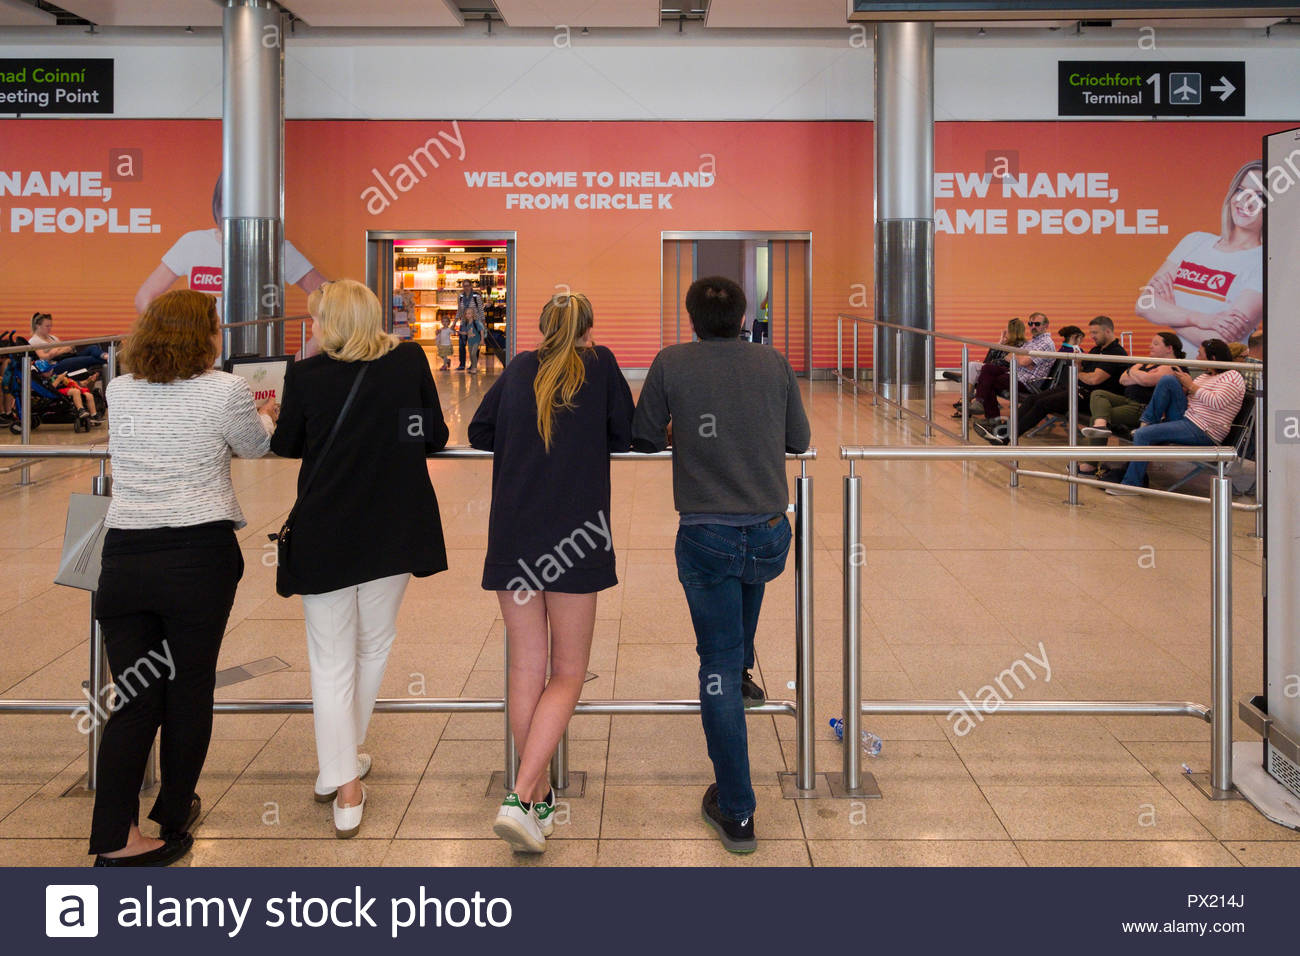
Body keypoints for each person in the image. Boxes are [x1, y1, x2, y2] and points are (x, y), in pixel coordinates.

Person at [89, 289, 276, 867]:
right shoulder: (225, 389)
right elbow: (254, 448)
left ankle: (112, 836)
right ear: (206, 335)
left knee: (135, 699)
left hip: (123, 557)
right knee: (190, 687)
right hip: (197, 556)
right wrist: (267, 415)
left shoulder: (119, 389)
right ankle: (170, 812)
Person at [632, 276, 810, 854]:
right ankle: (738, 676)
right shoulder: (773, 362)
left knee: (716, 659)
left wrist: (680, 431)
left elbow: (642, 438)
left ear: (691, 318)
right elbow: (799, 438)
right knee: (746, 592)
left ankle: (736, 810)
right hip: (767, 530)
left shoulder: (672, 362)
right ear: (743, 318)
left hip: (706, 533)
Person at [270, 279, 449, 839]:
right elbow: (433, 435)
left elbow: (286, 445)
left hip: (327, 533)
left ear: (332, 323)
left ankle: (343, 780)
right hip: (393, 528)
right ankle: (344, 765)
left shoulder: (305, 376)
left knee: (329, 659)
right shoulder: (406, 362)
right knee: (374, 644)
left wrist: (288, 413)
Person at [469, 292, 633, 853]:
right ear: (591, 328)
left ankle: (537, 800)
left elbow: (478, 431)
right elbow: (623, 432)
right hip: (576, 542)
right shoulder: (603, 365)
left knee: (525, 671)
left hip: (515, 538)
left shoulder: (519, 369)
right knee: (567, 673)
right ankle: (519, 796)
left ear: (540, 327)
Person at [133, 175, 328, 359]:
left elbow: (334, 302)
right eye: (229, 197)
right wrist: (179, 342)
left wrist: (301, 358)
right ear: (219, 200)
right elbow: (144, 298)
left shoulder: (277, 249)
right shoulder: (192, 243)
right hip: (201, 367)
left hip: (260, 364)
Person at [1135, 160, 1263, 357]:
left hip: (1213, 370)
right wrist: (1201, 319)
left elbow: (1221, 342)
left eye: (1259, 195)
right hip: (1171, 364)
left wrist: (1171, 312)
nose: (1245, 201)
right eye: (1240, 190)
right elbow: (1144, 303)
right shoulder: (1195, 241)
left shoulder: (1263, 261)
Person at [1106, 338, 1246, 493]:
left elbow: (1217, 402)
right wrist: (1183, 389)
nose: (1197, 359)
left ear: (1213, 358)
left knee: (1143, 435)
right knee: (1168, 380)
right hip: (1188, 418)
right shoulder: (1205, 376)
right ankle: (1147, 422)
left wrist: (1190, 385)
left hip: (1204, 430)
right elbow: (1194, 398)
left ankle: (1131, 485)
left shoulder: (1233, 376)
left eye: (1200, 355)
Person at [978, 315, 1128, 445]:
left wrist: (1077, 373)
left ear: (1108, 331)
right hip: (1075, 388)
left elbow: (1094, 379)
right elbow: (1084, 372)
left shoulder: (1116, 353)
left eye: (1095, 333)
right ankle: (1002, 431)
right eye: (1091, 332)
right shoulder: (1096, 350)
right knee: (1032, 399)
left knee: (1042, 404)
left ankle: (1005, 437)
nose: (1092, 336)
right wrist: (1079, 368)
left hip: (1091, 397)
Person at [972, 313, 1054, 423]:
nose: (1033, 327)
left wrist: (1020, 359)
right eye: (1030, 323)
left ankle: (991, 417)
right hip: (1017, 373)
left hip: (1027, 382)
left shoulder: (1046, 343)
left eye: (1037, 324)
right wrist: (1021, 360)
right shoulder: (1032, 342)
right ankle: (980, 402)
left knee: (989, 381)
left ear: (1046, 325)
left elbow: (1022, 361)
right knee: (987, 368)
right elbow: (1009, 356)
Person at [28, 312, 106, 377]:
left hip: (67, 357)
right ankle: (110, 358)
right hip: (56, 365)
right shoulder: (34, 341)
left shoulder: (52, 337)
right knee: (92, 358)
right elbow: (44, 357)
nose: (50, 328)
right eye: (47, 326)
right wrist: (58, 350)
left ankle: (106, 356)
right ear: (38, 326)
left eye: (50, 326)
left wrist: (56, 351)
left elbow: (66, 348)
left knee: (92, 348)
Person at [455, 280, 484, 371]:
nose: (466, 288)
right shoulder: (460, 297)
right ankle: (462, 364)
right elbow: (459, 311)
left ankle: (473, 365)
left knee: (474, 343)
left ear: (471, 286)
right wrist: (454, 323)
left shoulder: (476, 296)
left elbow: (480, 310)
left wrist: (483, 322)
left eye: (468, 286)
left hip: (475, 323)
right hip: (464, 322)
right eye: (464, 286)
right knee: (462, 344)